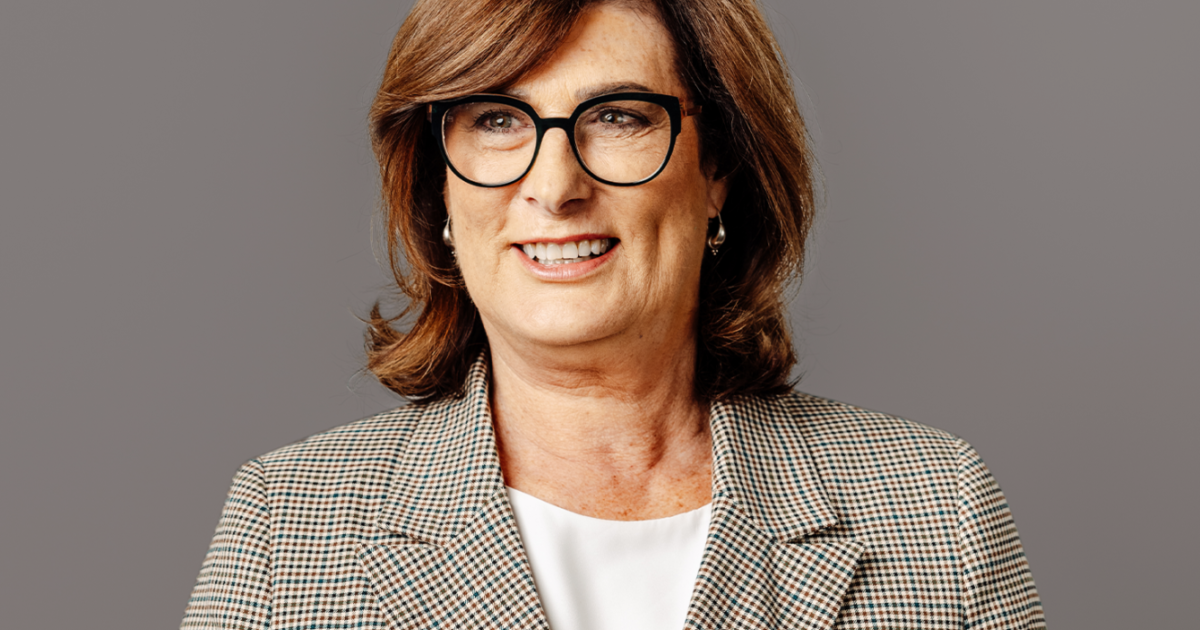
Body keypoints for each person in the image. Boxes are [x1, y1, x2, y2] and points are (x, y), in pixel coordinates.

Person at [182, 0, 1045, 628]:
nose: (555, 186)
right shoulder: (287, 528)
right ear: (437, 185)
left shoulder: (934, 511)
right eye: (496, 119)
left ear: (719, 171)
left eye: (619, 117)